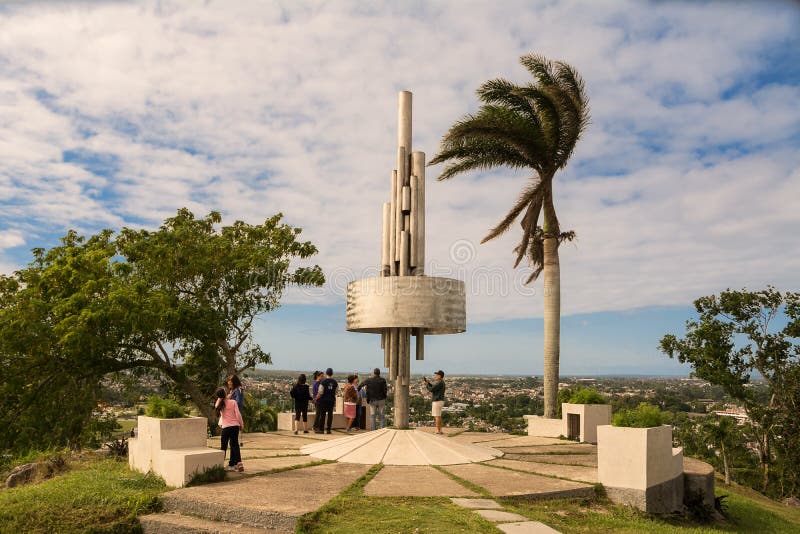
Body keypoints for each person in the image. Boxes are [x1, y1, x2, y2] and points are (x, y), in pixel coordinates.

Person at [214, 387, 244, 472]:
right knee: (235, 445)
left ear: (218, 396)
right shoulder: (233, 402)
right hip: (235, 426)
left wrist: (221, 398)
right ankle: (239, 464)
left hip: (226, 428)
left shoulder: (220, 404)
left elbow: (216, 404)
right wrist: (241, 424)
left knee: (223, 447)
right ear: (225, 394)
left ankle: (220, 465)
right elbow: (238, 415)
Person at [314, 368, 338, 434]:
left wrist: (315, 398)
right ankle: (328, 429)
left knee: (323, 415)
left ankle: (321, 429)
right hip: (331, 400)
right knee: (330, 415)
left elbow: (320, 392)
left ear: (326, 373)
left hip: (323, 401)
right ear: (332, 374)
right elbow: (336, 392)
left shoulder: (323, 382)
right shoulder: (335, 382)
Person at [423, 370, 446, 435]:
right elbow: (434, 387)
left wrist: (426, 384)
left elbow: (431, 389)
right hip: (440, 400)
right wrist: (428, 383)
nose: (435, 376)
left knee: (437, 416)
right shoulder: (441, 382)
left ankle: (439, 430)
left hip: (437, 401)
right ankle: (440, 430)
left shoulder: (440, 382)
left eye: (437, 375)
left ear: (440, 376)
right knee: (438, 416)